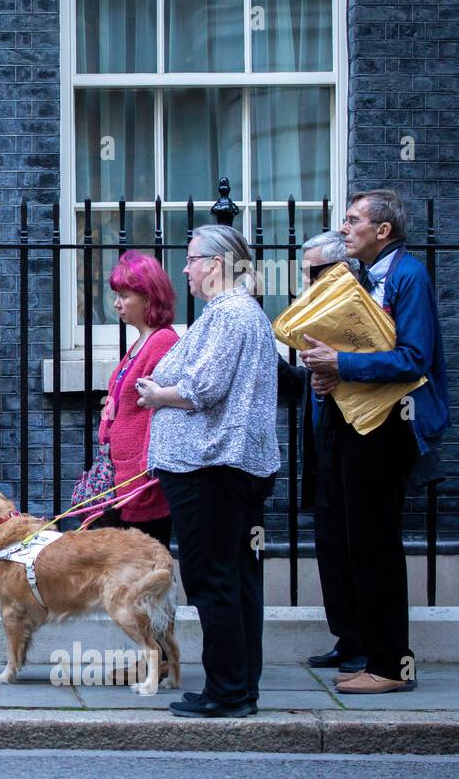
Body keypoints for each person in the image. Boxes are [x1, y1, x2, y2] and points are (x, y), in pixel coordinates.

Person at [298, 189, 450, 694]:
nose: (344, 229)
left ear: (382, 230)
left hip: (387, 428)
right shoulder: (360, 277)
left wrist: (341, 365)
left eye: (352, 220)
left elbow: (414, 358)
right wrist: (325, 375)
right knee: (351, 542)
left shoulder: (408, 276)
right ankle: (368, 652)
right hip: (351, 421)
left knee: (375, 544)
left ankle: (390, 665)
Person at [136, 224, 278, 717]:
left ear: (215, 264)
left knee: (212, 579)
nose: (185, 268)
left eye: (191, 258)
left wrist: (157, 395)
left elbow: (204, 387)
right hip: (222, 467)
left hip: (209, 466)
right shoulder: (240, 314)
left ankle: (227, 692)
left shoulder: (231, 314)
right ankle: (238, 686)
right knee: (235, 578)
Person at [273, 232, 366, 674]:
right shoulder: (315, 314)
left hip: (358, 444)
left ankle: (370, 641)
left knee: (359, 545)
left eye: (314, 271)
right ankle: (347, 639)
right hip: (323, 448)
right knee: (329, 543)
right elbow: (306, 387)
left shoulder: (355, 314)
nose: (306, 281)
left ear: (340, 270)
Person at [92, 251, 180, 548]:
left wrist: (143, 475)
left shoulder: (163, 341)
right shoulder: (140, 342)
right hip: (123, 473)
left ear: (149, 297)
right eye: (116, 295)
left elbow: (161, 414)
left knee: (143, 565)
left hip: (141, 480)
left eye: (125, 295)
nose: (117, 303)